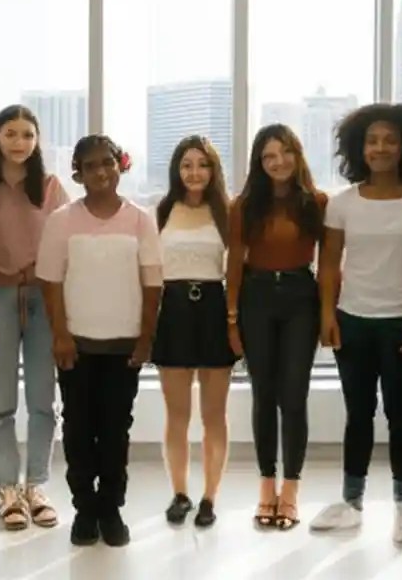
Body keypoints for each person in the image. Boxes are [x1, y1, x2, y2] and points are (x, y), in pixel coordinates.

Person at [311, 104, 402, 545]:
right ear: (359, 147)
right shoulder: (342, 203)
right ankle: (351, 502)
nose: (380, 148)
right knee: (358, 414)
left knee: (401, 416)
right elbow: (329, 264)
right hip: (353, 321)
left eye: (390, 140)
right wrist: (328, 315)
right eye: (372, 141)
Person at [36, 135, 163, 548]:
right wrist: (60, 335)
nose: (101, 171)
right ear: (78, 174)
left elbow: (153, 283)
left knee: (114, 431)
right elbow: (50, 281)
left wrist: (145, 340)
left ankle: (110, 509)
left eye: (107, 162)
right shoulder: (62, 220)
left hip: (123, 348)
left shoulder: (141, 220)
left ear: (119, 165)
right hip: (76, 346)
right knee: (77, 430)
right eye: (90, 166)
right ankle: (84, 510)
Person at [0, 104, 67, 531]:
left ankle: (36, 486)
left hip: (43, 299)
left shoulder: (52, 188)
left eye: (27, 135)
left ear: (37, 141)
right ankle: (7, 490)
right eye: (11, 134)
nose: (19, 142)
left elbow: (67, 249)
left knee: (43, 401)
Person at [226, 123, 328, 531]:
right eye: (268, 156)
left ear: (297, 154)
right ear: (259, 162)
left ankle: (291, 490)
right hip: (257, 298)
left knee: (294, 395)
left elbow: (330, 264)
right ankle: (266, 487)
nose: (278, 162)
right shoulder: (244, 205)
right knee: (263, 394)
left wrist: (328, 314)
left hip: (301, 297)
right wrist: (231, 319)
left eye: (284, 152)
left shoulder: (316, 202)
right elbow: (234, 262)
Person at [152, 135, 235, 529]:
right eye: (187, 165)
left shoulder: (227, 212)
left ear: (213, 170)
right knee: (177, 414)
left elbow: (238, 269)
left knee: (214, 414)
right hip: (173, 312)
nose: (195, 172)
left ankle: (210, 496)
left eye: (202, 164)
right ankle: (180, 493)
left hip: (215, 311)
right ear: (177, 170)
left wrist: (235, 322)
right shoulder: (162, 210)